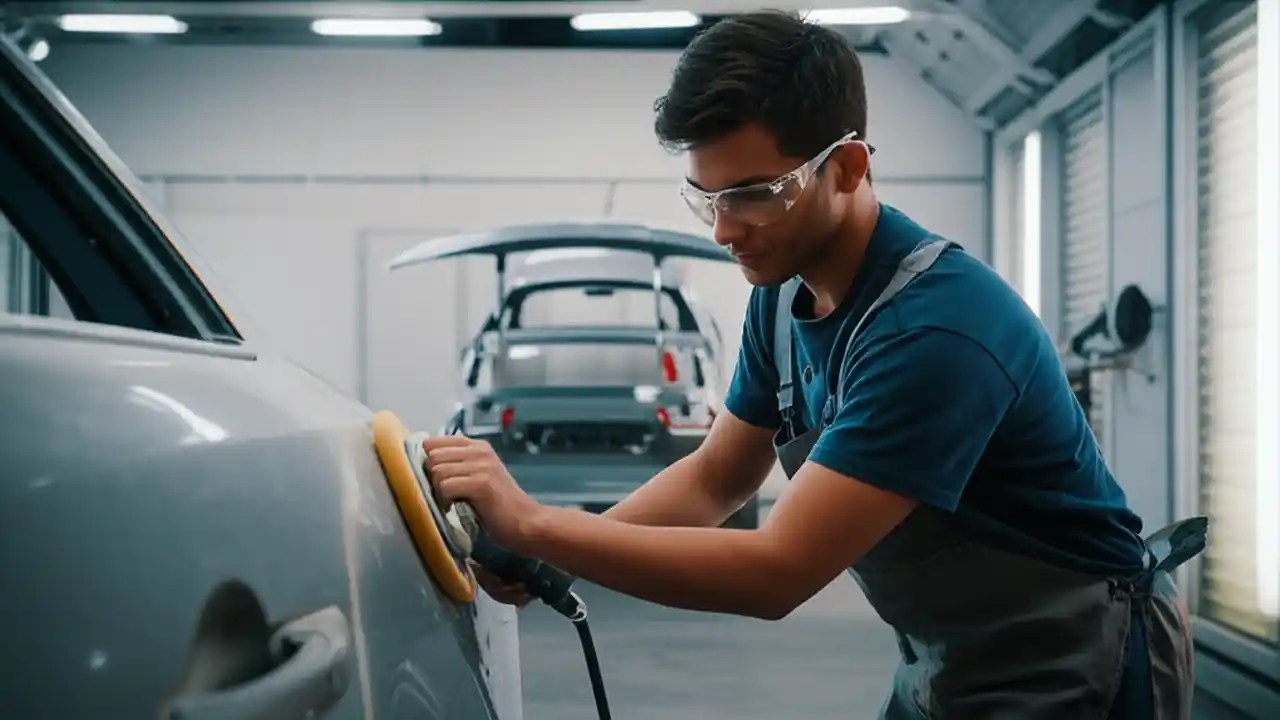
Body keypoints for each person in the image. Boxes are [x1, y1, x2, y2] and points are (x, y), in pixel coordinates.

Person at [423, 10, 1204, 719]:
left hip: (1075, 667)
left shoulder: (935, 332)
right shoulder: (785, 289)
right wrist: (540, 552)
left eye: (755, 194)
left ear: (849, 167)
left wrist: (537, 523)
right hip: (944, 657)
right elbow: (714, 480)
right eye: (707, 198)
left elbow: (777, 571)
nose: (726, 230)